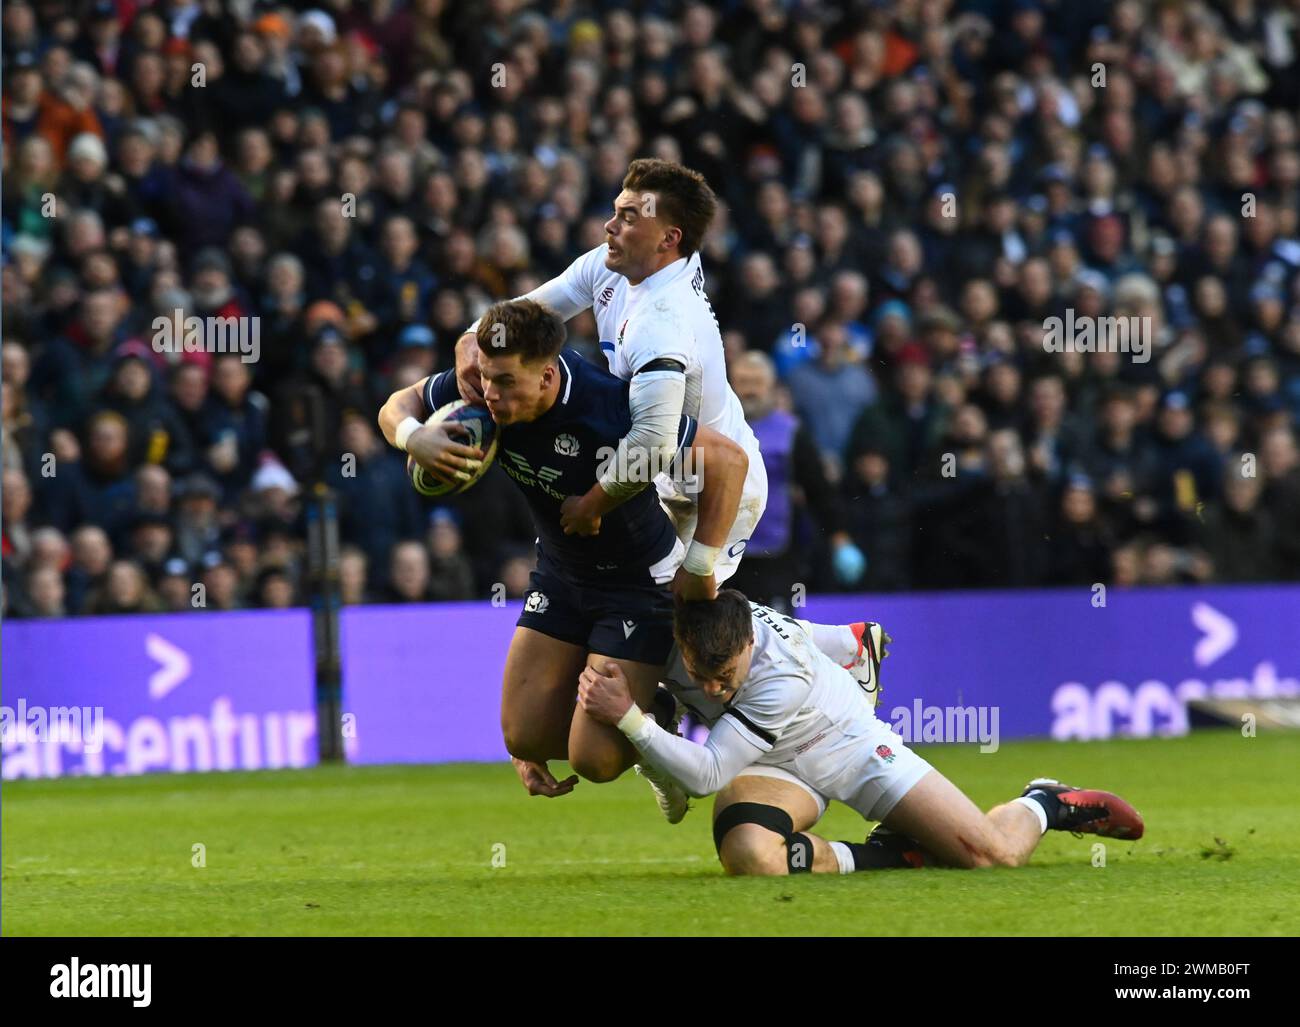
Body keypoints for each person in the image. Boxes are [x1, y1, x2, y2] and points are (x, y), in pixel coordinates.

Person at [449, 157, 885, 687]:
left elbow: (654, 441)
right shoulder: (610, 270)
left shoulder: (665, 321)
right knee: (667, 618)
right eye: (616, 211)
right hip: (662, 471)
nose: (611, 226)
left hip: (717, 481)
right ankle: (839, 646)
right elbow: (524, 313)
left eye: (630, 217)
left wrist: (593, 503)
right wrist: (471, 340)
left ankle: (832, 660)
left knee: (684, 612)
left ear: (668, 238)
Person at [377, 298, 753, 820]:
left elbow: (729, 461)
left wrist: (699, 564)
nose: (489, 394)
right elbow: (395, 404)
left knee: (593, 760)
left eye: (505, 382)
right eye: (485, 377)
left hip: (637, 586)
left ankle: (658, 725)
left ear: (549, 376)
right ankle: (654, 712)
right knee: (522, 736)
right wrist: (413, 436)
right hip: (559, 574)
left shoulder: (610, 408)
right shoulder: (481, 389)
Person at [578, 590, 1145, 875]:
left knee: (990, 858)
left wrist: (631, 719)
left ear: (749, 645)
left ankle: (1044, 803)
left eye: (726, 678)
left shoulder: (781, 676)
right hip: (767, 765)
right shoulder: (712, 628)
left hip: (847, 746)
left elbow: (706, 775)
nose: (716, 690)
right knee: (752, 857)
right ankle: (893, 856)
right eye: (703, 677)